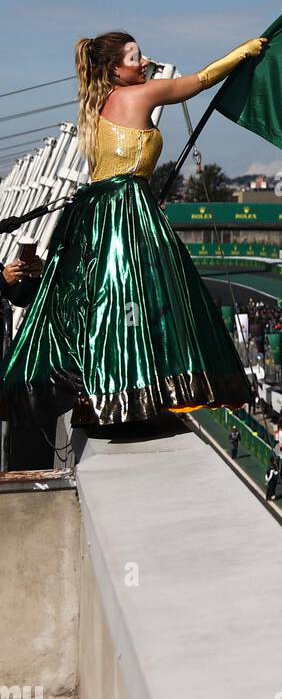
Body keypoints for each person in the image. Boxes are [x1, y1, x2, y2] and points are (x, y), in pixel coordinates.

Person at [0, 32, 266, 426]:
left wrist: (144, 72)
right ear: (114, 69)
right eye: (136, 58)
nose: (144, 64)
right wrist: (249, 50)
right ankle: (147, 393)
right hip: (130, 211)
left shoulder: (95, 107)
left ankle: (107, 396)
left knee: (111, 305)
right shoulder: (140, 96)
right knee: (152, 297)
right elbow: (203, 79)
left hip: (95, 215)